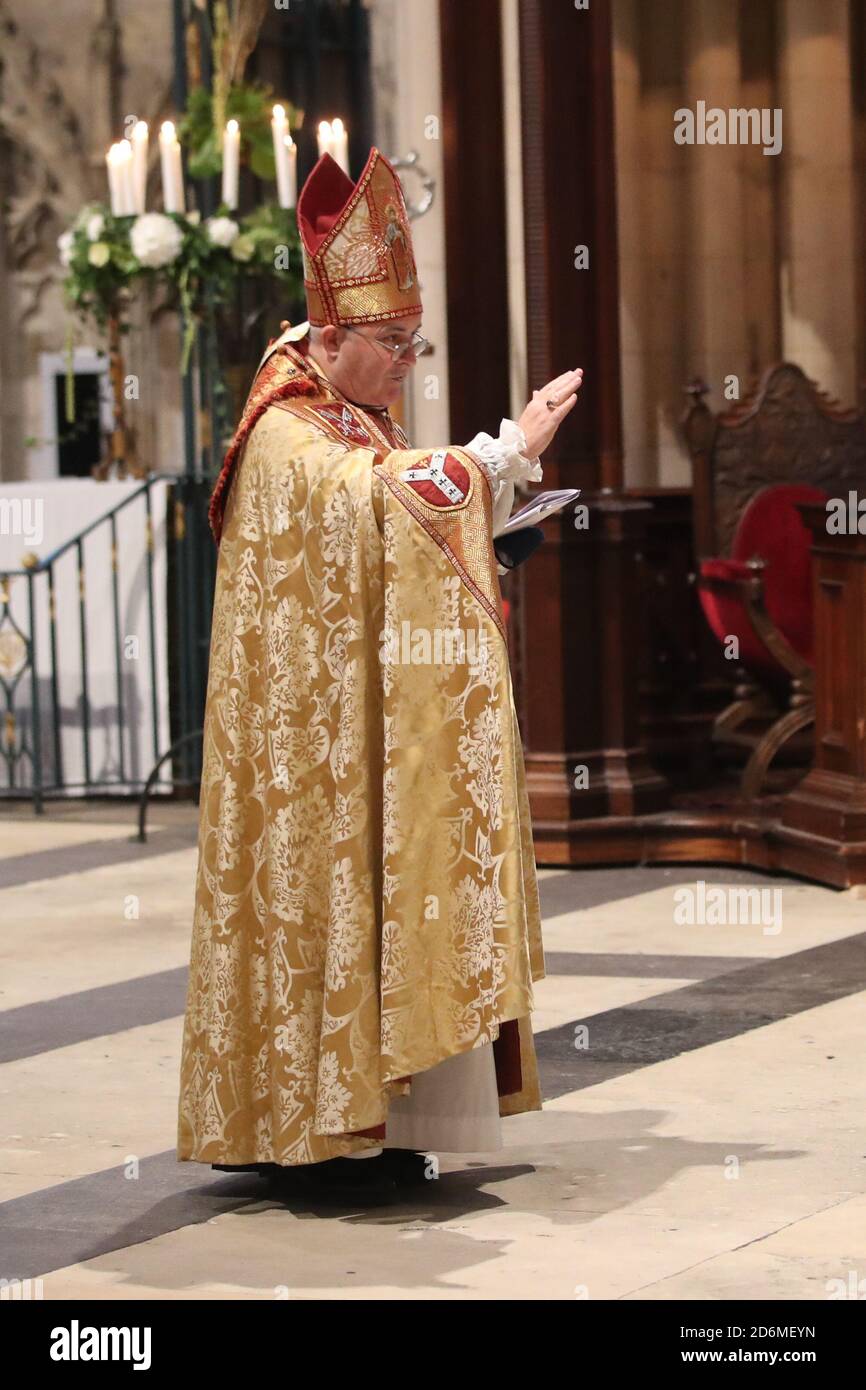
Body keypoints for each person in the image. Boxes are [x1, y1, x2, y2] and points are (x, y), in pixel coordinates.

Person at [176, 146, 583, 1206]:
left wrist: (499, 528)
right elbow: (370, 501)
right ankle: (306, 1123)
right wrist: (501, 455)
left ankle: (401, 1118)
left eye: (414, 344)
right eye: (393, 345)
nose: (406, 363)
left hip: (364, 731)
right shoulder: (285, 434)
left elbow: (386, 534)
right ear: (329, 336)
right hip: (308, 763)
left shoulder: (354, 418)